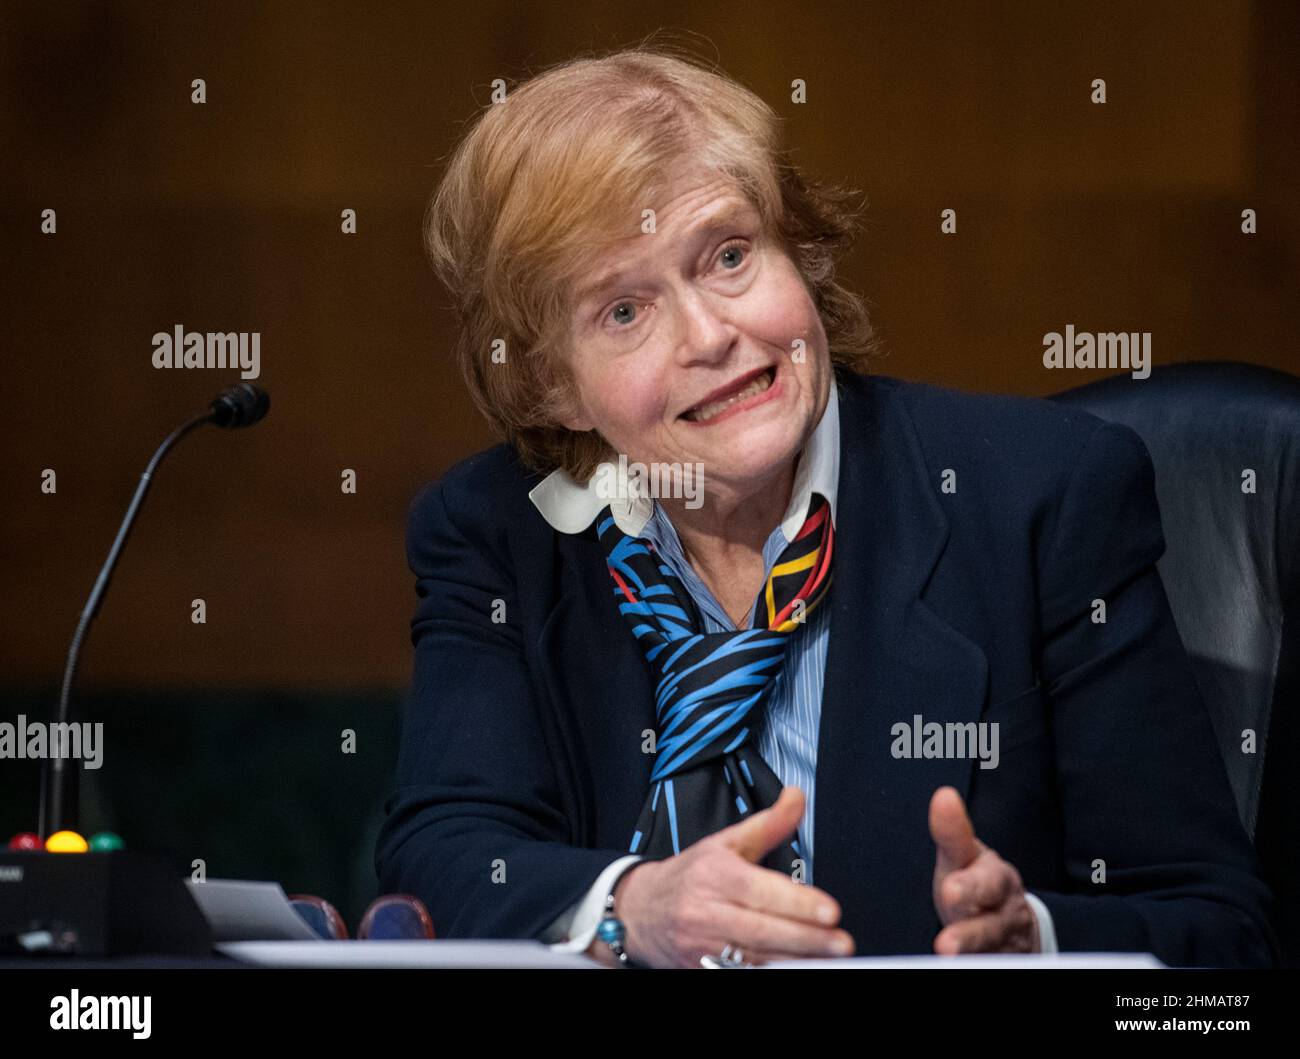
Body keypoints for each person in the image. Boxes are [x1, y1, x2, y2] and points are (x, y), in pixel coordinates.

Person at [374, 45, 1277, 968]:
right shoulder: (498, 533)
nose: (710, 334)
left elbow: (1219, 930)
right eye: (623, 312)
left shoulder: (1040, 499)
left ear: (798, 250)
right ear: (550, 385)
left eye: (728, 255)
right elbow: (443, 856)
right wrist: (628, 907)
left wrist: (1035, 943)